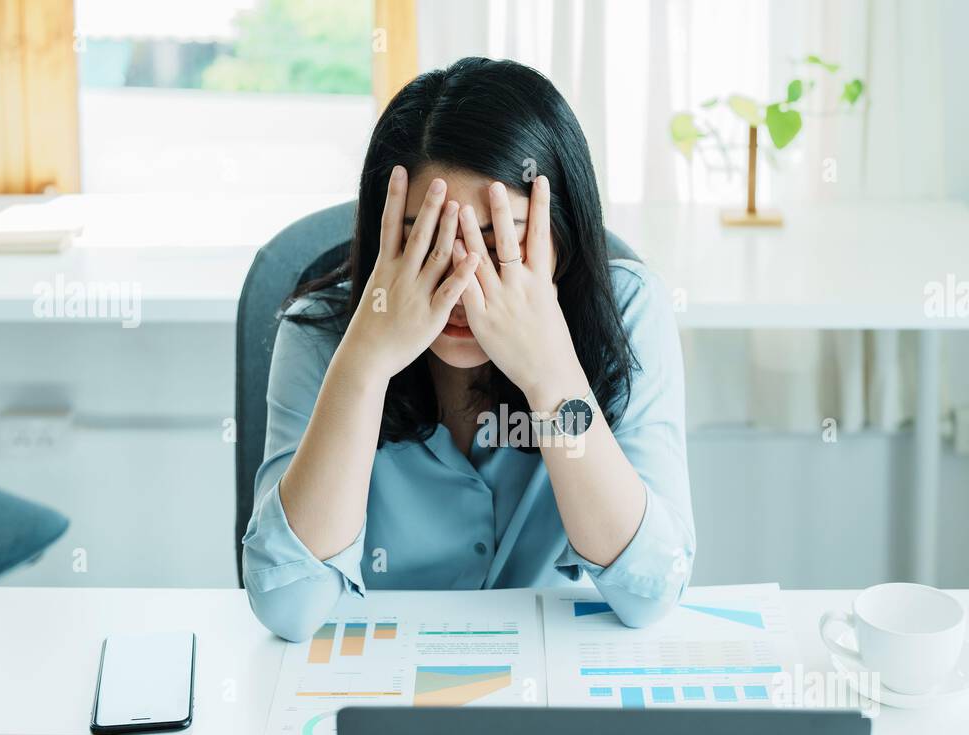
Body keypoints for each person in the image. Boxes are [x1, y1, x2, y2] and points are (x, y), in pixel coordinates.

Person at [242, 57, 694, 641]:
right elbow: (289, 607)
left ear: (563, 237)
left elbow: (651, 590)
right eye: (422, 240)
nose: (459, 280)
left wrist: (551, 377)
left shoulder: (630, 310)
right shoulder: (318, 334)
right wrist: (364, 366)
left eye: (498, 241)